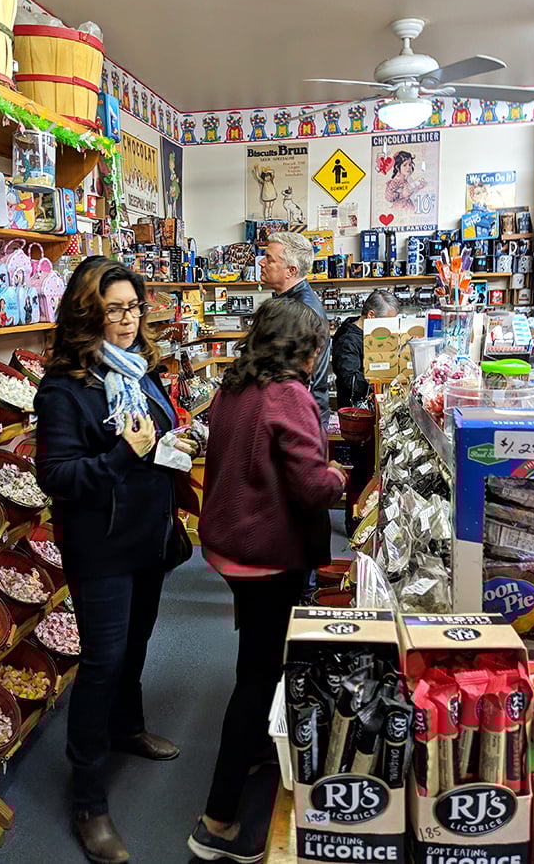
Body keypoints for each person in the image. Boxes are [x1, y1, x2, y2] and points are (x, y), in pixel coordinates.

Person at [35, 258, 194, 864]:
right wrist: (124, 457)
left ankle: (128, 728)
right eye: (115, 309)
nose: (128, 320)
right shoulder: (64, 387)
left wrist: (173, 444)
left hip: (147, 537)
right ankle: (89, 801)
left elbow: (154, 436)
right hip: (99, 547)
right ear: (88, 312)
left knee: (136, 645)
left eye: (134, 307)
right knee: (101, 663)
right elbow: (57, 476)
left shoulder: (141, 370)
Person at [187, 298, 347, 863]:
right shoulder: (290, 395)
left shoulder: (233, 386)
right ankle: (217, 821)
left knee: (253, 654)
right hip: (267, 552)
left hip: (229, 544)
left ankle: (255, 746)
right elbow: (309, 484)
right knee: (258, 677)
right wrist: (339, 477)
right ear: (304, 351)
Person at [331, 289, 400, 536]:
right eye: (387, 321)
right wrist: (379, 378)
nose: (391, 328)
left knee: (370, 467)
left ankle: (366, 518)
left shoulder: (369, 335)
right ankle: (355, 523)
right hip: (357, 417)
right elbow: (349, 378)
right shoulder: (348, 339)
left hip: (370, 412)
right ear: (371, 315)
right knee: (361, 469)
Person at [259, 232, 331, 426]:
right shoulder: (289, 302)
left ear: (291, 270)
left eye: (269, 259)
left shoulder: (302, 311)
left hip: (300, 419)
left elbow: (300, 378)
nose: (261, 263)